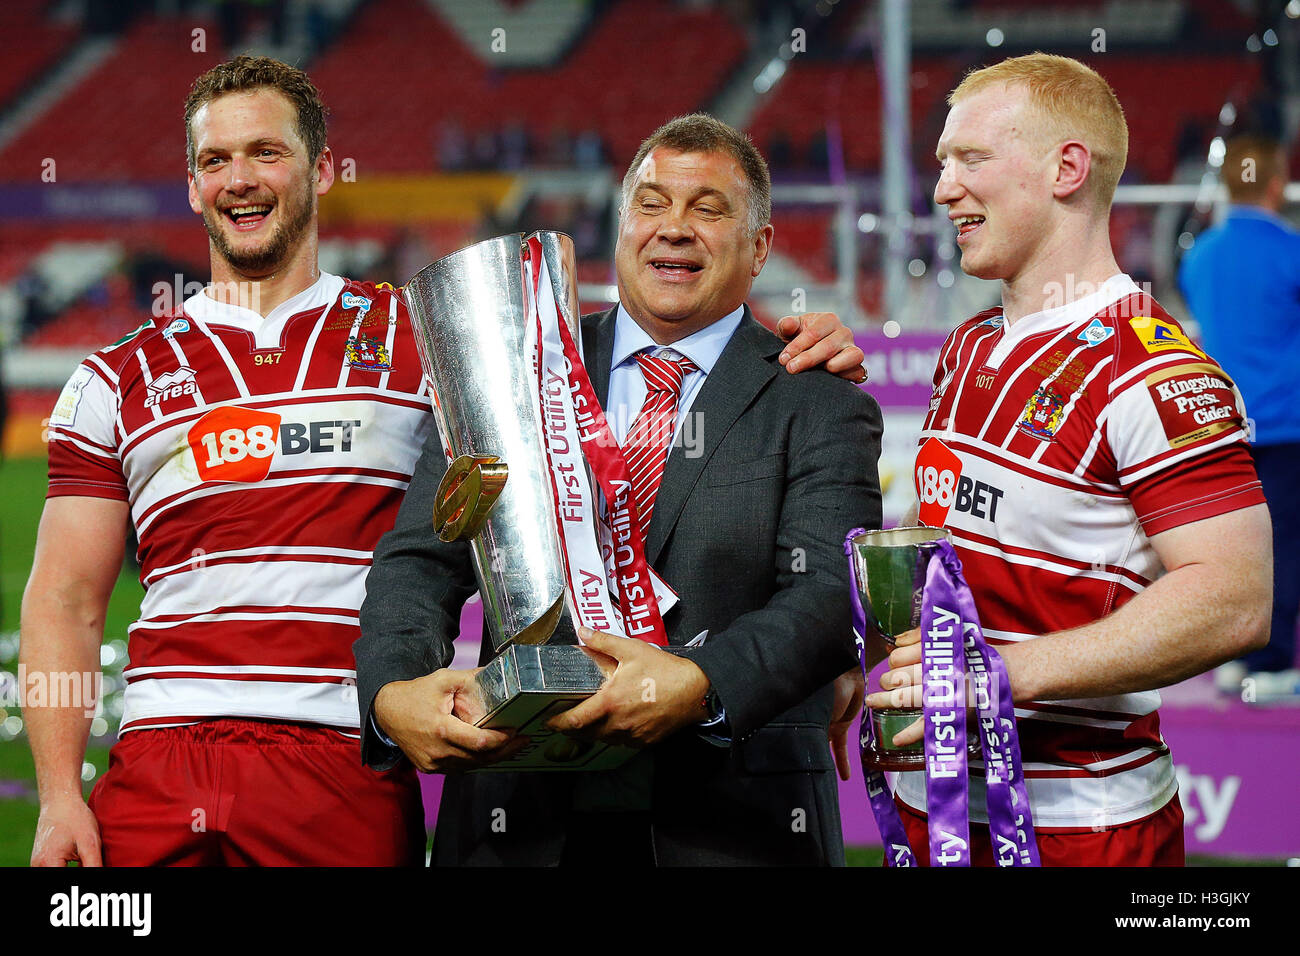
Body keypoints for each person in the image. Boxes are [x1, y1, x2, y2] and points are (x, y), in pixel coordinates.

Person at [21, 57, 864, 867]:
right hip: (202, 762)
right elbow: (67, 595)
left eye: (267, 152)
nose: (240, 177)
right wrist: (60, 791)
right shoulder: (119, 374)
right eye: (216, 159)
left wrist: (721, 679)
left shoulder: (437, 342)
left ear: (320, 169)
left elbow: (830, 586)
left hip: (362, 766)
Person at [354, 113, 884, 866]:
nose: (674, 229)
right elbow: (418, 561)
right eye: (652, 203)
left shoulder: (820, 399)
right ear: (621, 224)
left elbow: (831, 597)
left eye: (709, 209)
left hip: (732, 825)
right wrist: (393, 691)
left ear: (759, 247)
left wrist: (701, 683)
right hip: (522, 825)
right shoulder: (515, 372)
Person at [862, 54, 1271, 866]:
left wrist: (1006, 677)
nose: (943, 189)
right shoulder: (969, 345)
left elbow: (1235, 600)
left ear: (1067, 168)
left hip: (1080, 824)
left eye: (971, 159)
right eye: (942, 164)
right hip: (930, 801)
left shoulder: (1154, 371)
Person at [1178, 132, 1300, 701]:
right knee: (1285, 546)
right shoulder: (1292, 252)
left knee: (1235, 546)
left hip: (1221, 425)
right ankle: (1273, 664)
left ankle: (1235, 658)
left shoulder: (1201, 257)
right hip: (1287, 424)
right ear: (1277, 184)